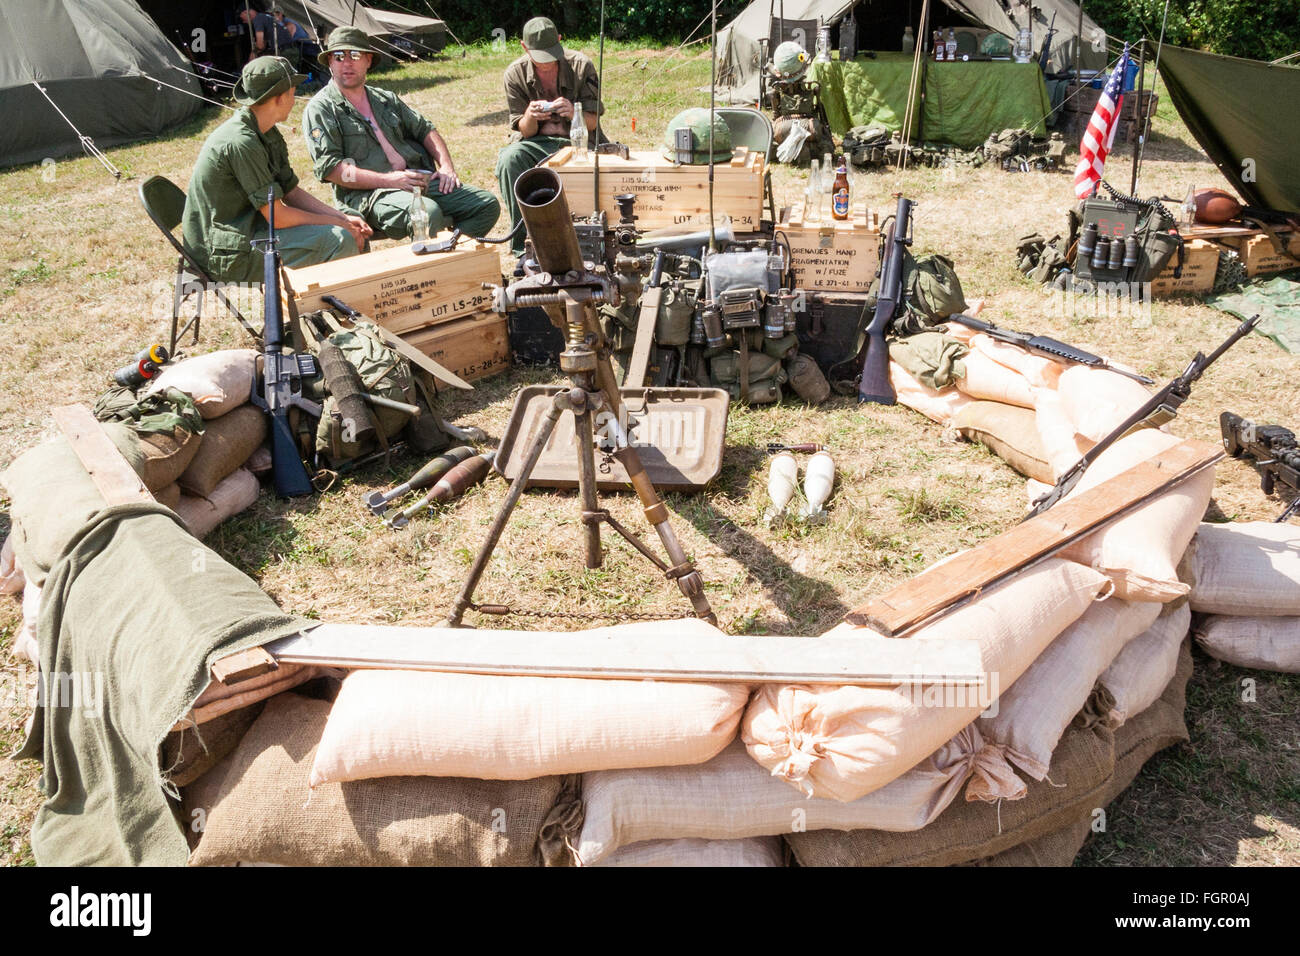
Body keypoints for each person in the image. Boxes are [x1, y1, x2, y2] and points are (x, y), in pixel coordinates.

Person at [182, 56, 371, 284]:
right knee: (340, 239)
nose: (294, 99)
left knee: (354, 227)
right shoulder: (242, 142)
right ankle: (340, 312)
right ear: (280, 97)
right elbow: (278, 217)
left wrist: (342, 217)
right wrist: (337, 224)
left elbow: (291, 192)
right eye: (292, 92)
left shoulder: (266, 130)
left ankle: (343, 307)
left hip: (249, 234)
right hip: (225, 255)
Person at [301, 27, 500, 241]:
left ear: (368, 60)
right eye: (339, 56)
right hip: (370, 194)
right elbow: (332, 169)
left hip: (415, 180)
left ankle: (453, 255)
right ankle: (430, 273)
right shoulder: (321, 108)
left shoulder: (385, 99)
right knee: (426, 213)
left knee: (485, 204)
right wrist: (390, 180)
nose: (347, 63)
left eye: (355, 55)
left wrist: (446, 167)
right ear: (330, 61)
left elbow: (425, 128)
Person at [496, 17, 604, 254]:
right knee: (509, 160)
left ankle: (599, 239)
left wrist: (573, 113)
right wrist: (530, 116)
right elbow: (525, 130)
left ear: (559, 41)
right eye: (540, 56)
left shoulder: (581, 65)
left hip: (579, 141)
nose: (547, 63)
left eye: (552, 54)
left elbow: (593, 122)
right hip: (536, 142)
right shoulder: (514, 74)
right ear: (524, 48)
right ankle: (523, 247)